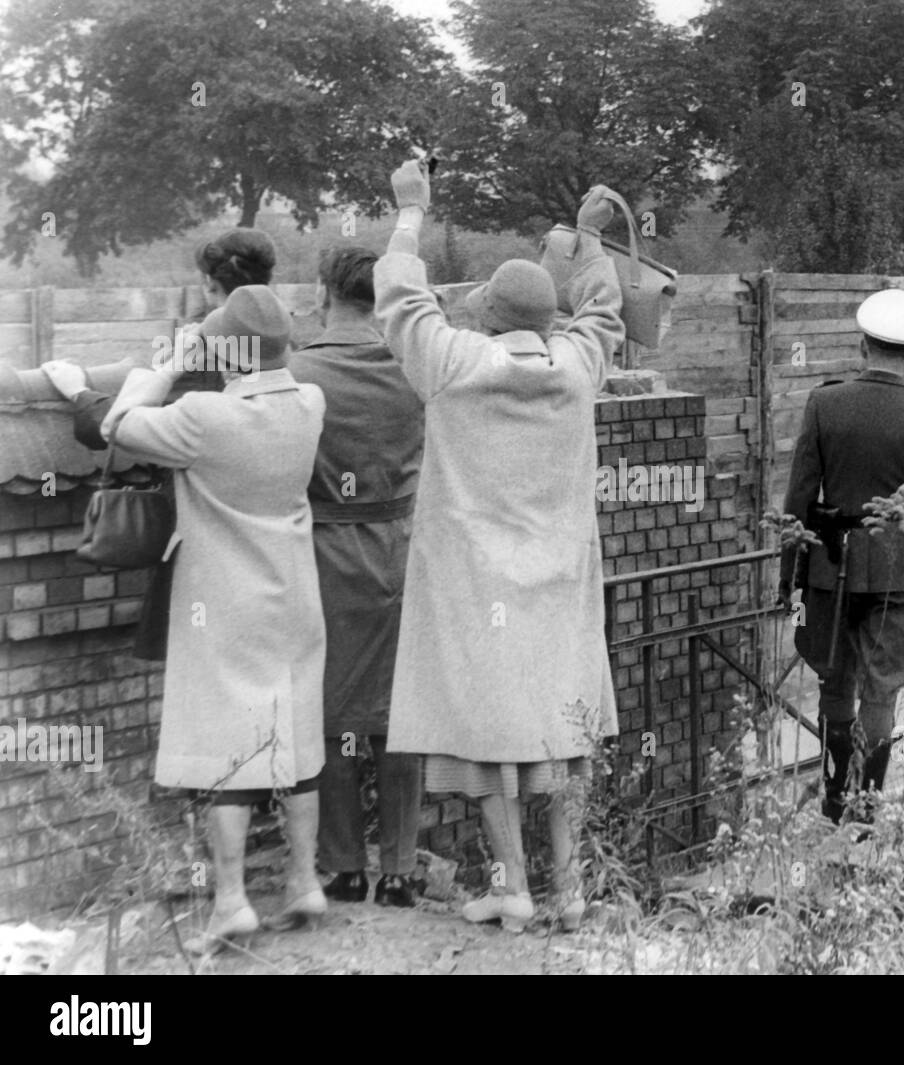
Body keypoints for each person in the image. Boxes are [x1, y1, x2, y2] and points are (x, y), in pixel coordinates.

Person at [372, 159, 624, 933]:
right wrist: (587, 239)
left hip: (476, 584)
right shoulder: (579, 366)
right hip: (557, 580)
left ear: (484, 313)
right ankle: (571, 886)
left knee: (486, 736)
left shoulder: (453, 363)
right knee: (559, 728)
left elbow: (399, 296)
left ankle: (510, 884)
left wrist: (411, 211)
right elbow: (605, 306)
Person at [100, 285, 329, 954]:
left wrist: (171, 363)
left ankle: (230, 900)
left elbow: (118, 424)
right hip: (293, 590)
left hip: (222, 602)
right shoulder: (309, 404)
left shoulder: (201, 416)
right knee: (294, 734)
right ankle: (304, 878)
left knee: (230, 747)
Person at [40, 228, 278, 661]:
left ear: (208, 283)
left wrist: (79, 392)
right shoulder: (284, 351)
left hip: (204, 545)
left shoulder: (197, 354)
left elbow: (114, 427)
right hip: (278, 556)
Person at [782, 288, 904, 824]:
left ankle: (833, 800)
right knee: (882, 691)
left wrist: (786, 578)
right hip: (900, 573)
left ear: (863, 345)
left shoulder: (824, 403)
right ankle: (867, 810)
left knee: (834, 683)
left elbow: (797, 499)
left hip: (829, 569)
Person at [289, 245, 425, 908]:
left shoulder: (298, 369)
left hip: (325, 549)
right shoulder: (413, 363)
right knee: (400, 716)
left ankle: (342, 865)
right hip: (403, 547)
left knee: (332, 711)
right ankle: (399, 868)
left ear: (324, 292)